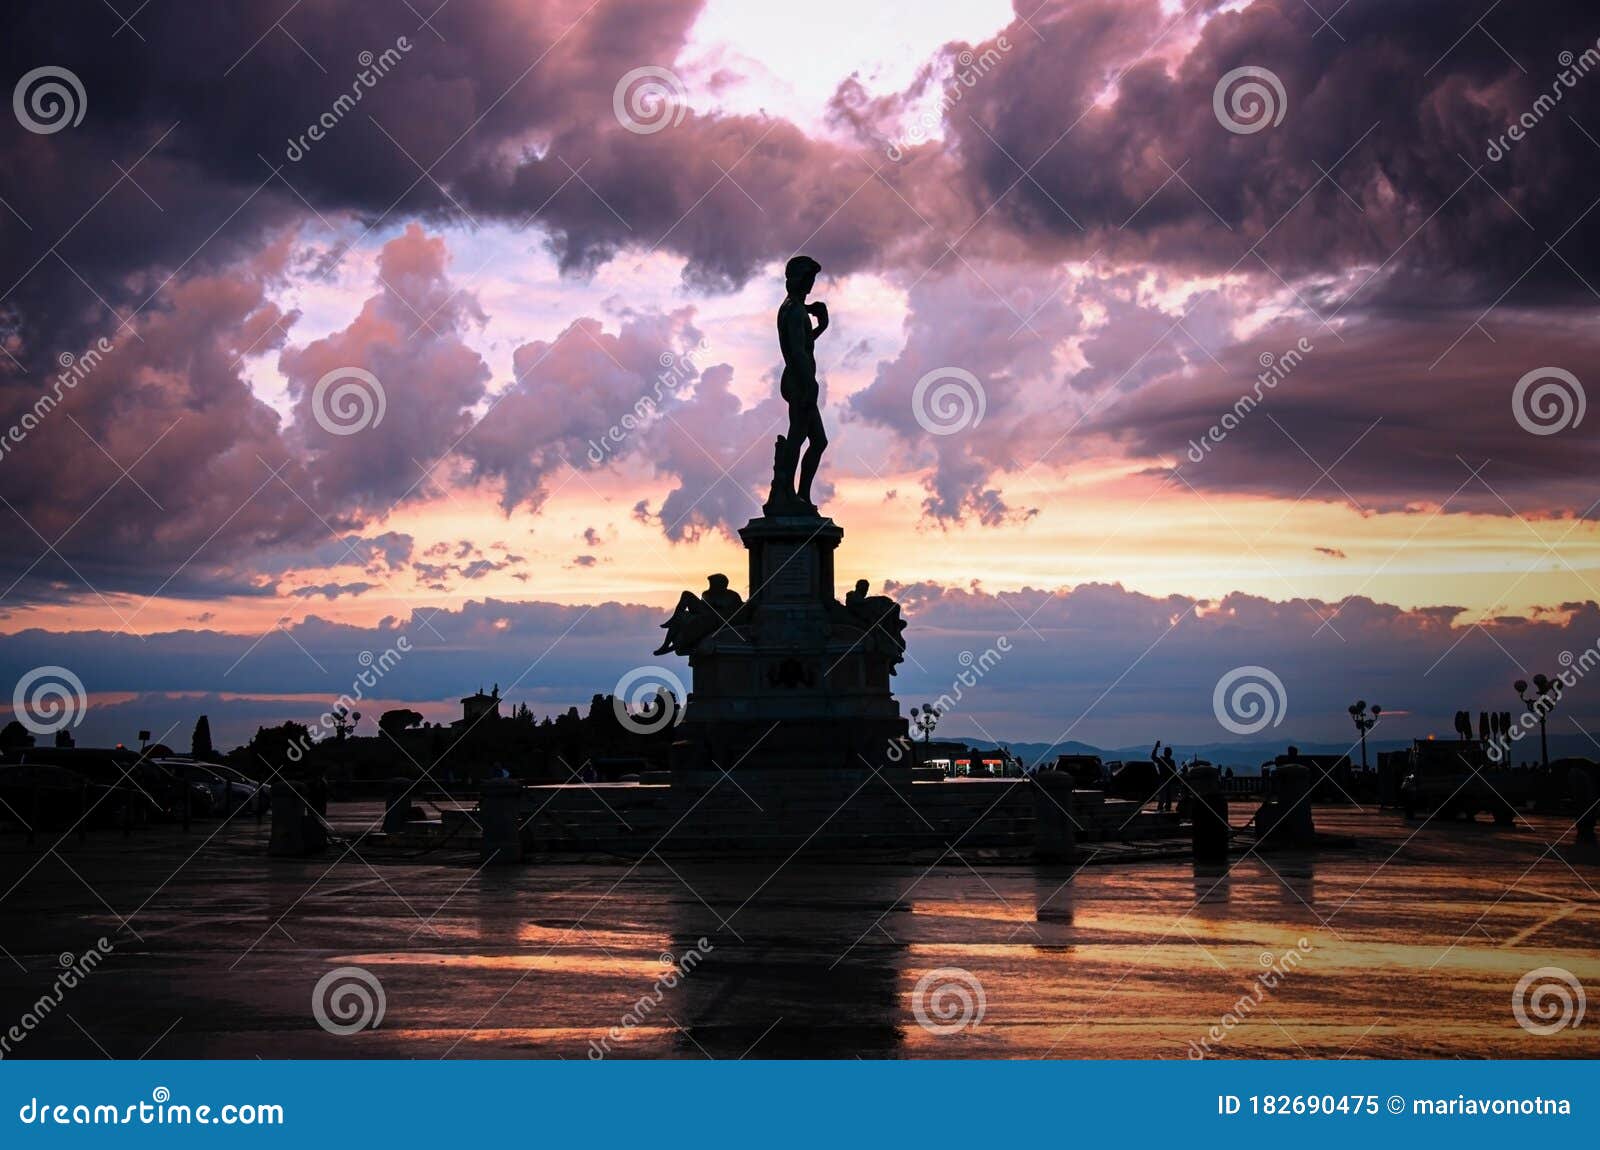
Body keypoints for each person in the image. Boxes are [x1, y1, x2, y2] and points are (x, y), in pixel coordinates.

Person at [772, 254, 829, 510]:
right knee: (798, 436)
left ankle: (801, 496)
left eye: (812, 279)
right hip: (799, 381)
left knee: (818, 441)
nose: (810, 284)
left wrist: (821, 327)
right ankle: (788, 493)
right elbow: (796, 352)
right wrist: (810, 384)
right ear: (797, 279)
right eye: (808, 278)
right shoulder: (793, 310)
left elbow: (804, 345)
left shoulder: (794, 308)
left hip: (799, 379)